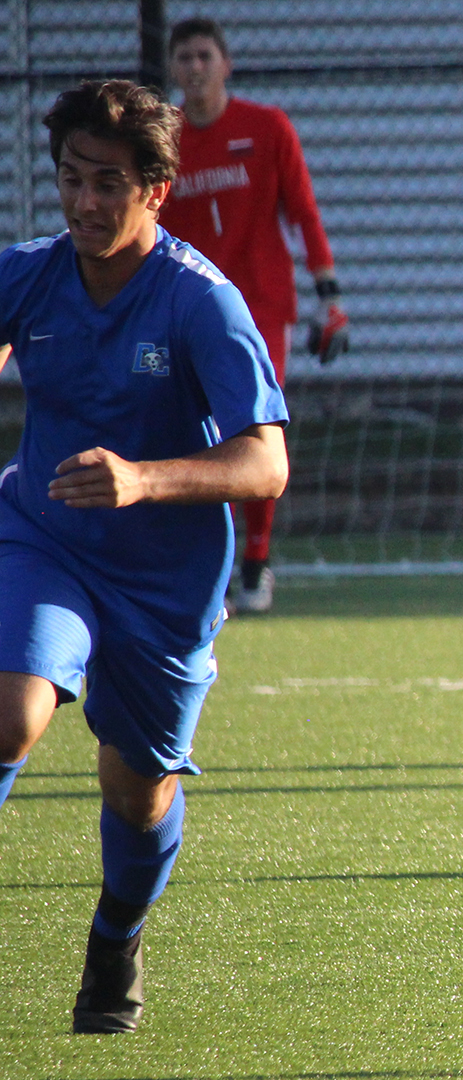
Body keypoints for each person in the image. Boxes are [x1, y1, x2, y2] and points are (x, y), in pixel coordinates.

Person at [0, 80, 289, 1033]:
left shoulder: (202, 302)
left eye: (108, 184)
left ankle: (116, 937)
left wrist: (142, 479)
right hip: (44, 539)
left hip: (164, 584)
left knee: (137, 791)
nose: (83, 202)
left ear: (156, 190)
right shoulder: (29, 275)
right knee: (10, 716)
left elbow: (266, 463)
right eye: (70, 178)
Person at [160, 16, 346, 614]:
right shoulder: (163, 139)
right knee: (193, 435)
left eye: (204, 56)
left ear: (226, 64)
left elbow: (304, 211)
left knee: (257, 428)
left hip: (261, 305)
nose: (195, 67)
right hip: (187, 308)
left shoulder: (267, 128)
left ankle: (256, 564)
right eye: (184, 57)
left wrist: (329, 295)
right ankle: (203, 572)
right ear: (172, 68)